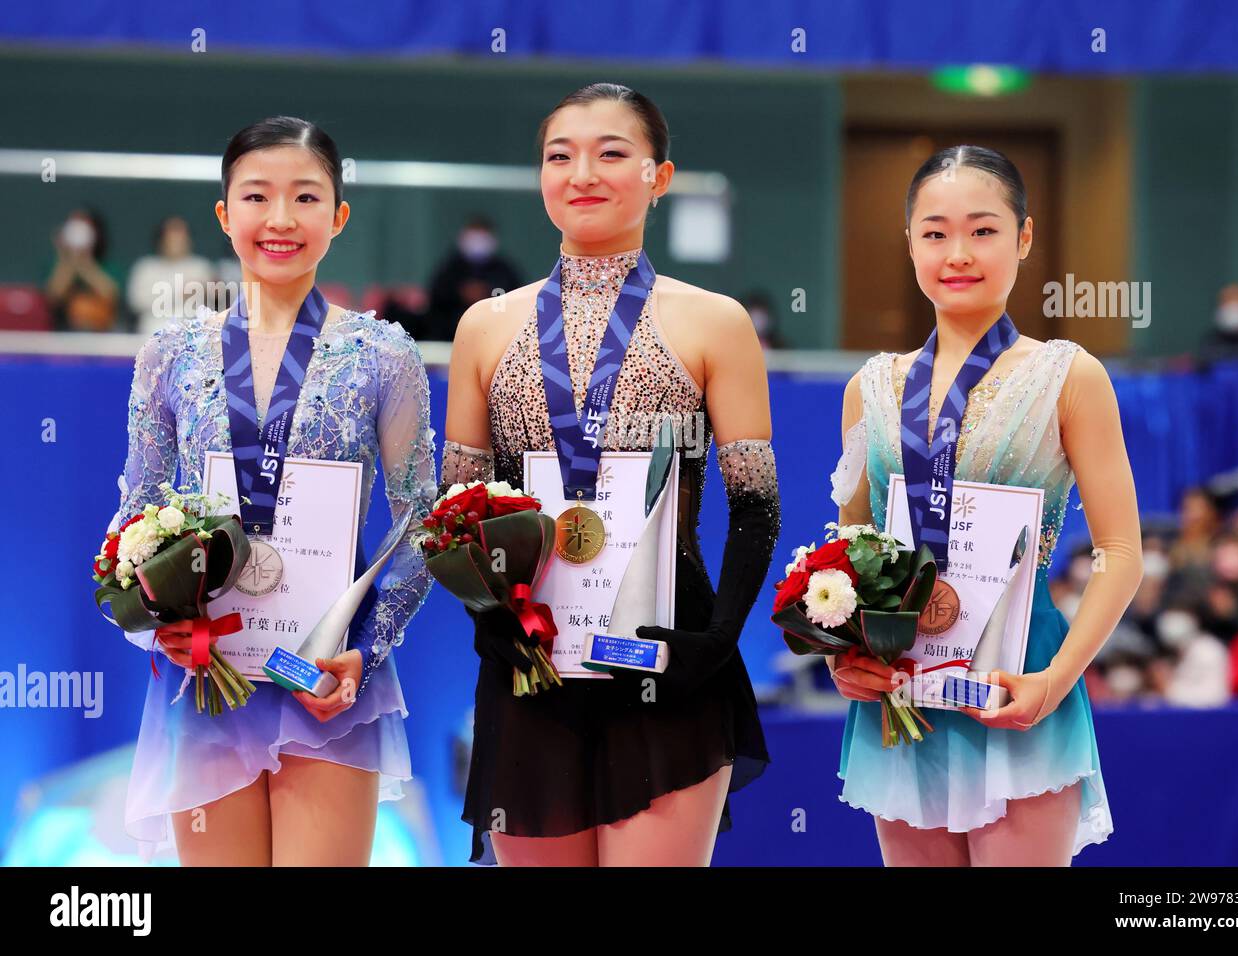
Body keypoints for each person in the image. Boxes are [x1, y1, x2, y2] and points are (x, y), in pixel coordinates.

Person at [442, 83, 777, 866]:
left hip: (668, 663)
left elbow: (755, 507)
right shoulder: (483, 326)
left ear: (659, 176)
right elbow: (453, 507)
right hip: (532, 662)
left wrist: (716, 642)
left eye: (611, 153)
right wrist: (488, 618)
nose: (583, 172)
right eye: (561, 156)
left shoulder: (714, 320)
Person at [108, 116, 437, 865]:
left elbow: (422, 518)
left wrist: (370, 644)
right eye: (257, 196)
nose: (281, 219)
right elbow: (136, 510)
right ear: (224, 214)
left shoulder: (384, 356)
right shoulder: (169, 354)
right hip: (208, 674)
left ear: (339, 216)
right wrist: (156, 617)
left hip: (326, 675)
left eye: (306, 197)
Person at [828, 145, 1143, 866]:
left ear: (1025, 237)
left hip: (1018, 684)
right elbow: (845, 565)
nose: (958, 253)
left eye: (983, 230)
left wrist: (1053, 681)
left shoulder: (1069, 375)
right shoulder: (869, 389)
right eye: (935, 232)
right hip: (901, 692)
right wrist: (843, 658)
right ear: (909, 242)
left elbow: (1121, 554)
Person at [423, 217, 522, 341]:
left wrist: (489, 293)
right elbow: (436, 299)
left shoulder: (503, 269)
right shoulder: (450, 267)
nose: (478, 243)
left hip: (492, 335)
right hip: (449, 336)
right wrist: (459, 293)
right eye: (474, 235)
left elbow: (510, 299)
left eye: (482, 236)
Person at [126, 216, 215, 335]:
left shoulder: (201, 267)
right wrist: (179, 293)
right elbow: (136, 302)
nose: (176, 241)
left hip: (194, 337)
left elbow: (213, 304)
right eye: (172, 236)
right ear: (161, 240)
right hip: (151, 333)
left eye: (181, 236)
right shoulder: (146, 268)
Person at [45, 207, 123, 331]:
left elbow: (110, 294)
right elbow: (54, 296)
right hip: (64, 332)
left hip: (102, 331)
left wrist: (84, 263)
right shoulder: (57, 266)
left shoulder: (109, 266)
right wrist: (67, 259)